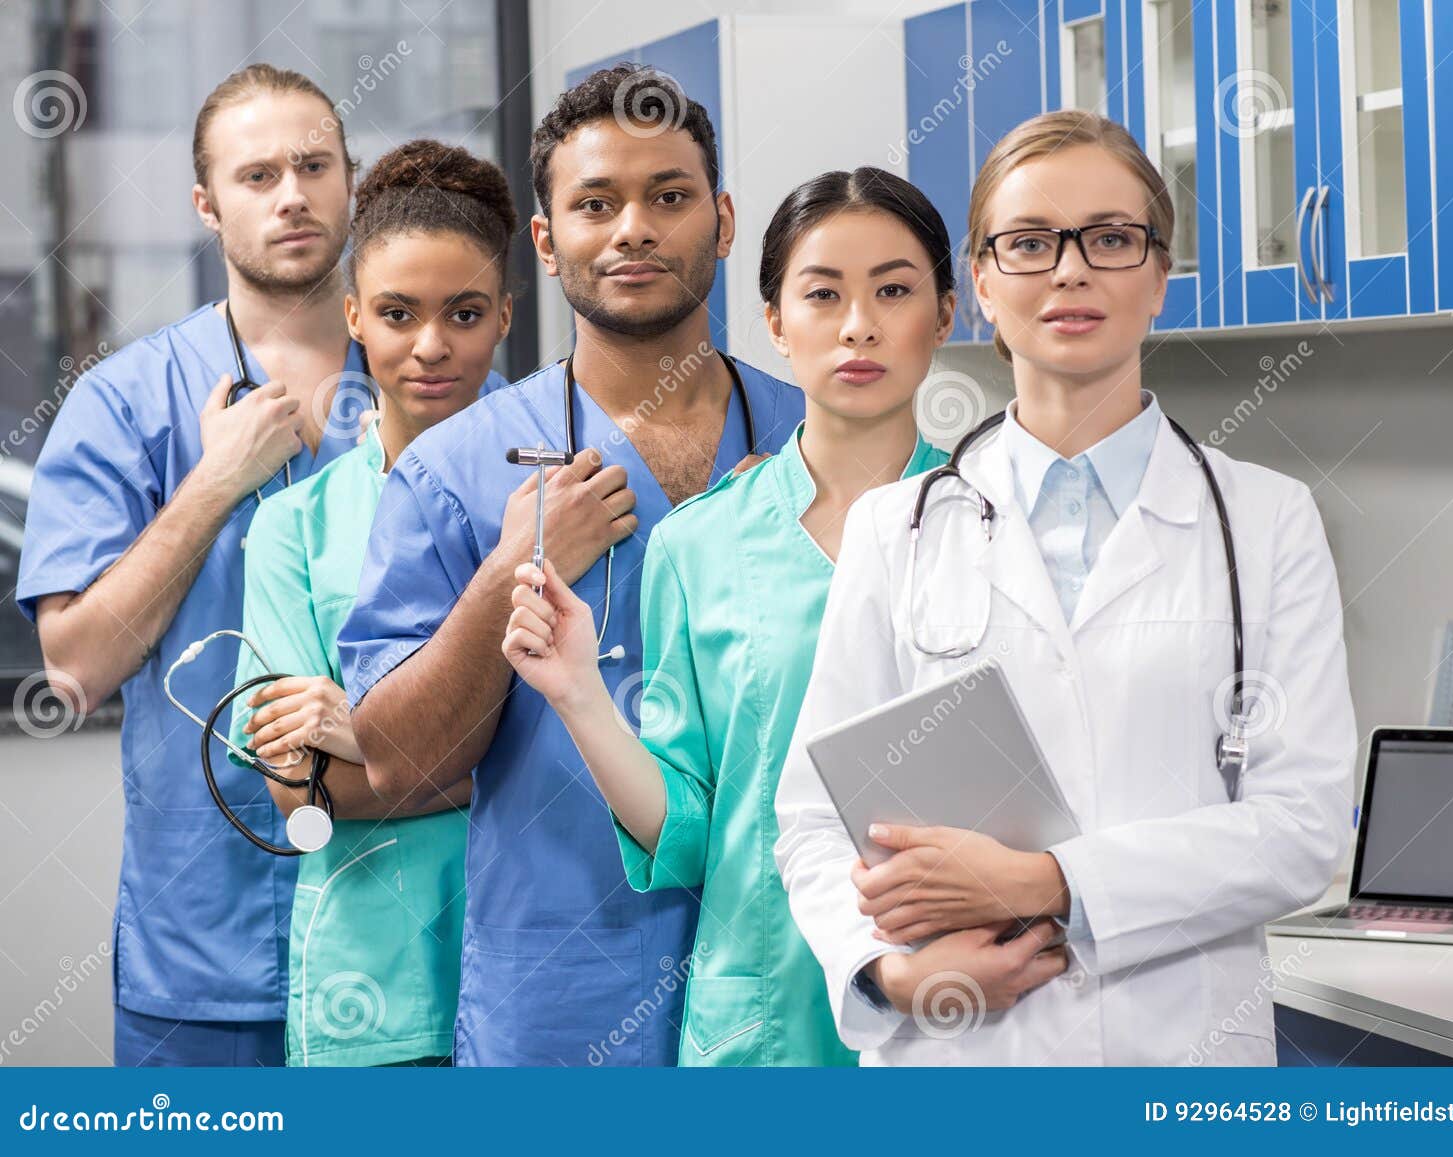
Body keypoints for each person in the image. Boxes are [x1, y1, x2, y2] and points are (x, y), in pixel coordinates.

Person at [774, 110, 1357, 1066]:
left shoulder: (1269, 520)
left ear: (1161, 276)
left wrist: (1048, 881)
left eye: (1112, 238)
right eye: (1031, 243)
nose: (1072, 270)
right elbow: (811, 815)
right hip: (964, 1055)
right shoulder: (898, 526)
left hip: (1183, 1052)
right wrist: (886, 974)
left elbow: (1302, 829)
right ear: (985, 287)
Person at [337, 64, 805, 1067]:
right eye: (596, 203)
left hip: (789, 979)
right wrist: (514, 565)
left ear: (722, 222)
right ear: (546, 243)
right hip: (561, 995)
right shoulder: (455, 469)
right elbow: (397, 756)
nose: (632, 228)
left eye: (667, 198)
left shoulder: (820, 442)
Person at [499, 167, 955, 1066]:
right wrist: (580, 692)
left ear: (944, 314)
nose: (858, 323)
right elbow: (691, 831)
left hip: (957, 1003)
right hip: (763, 1022)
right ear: (776, 320)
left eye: (894, 291)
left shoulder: (992, 520)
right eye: (822, 294)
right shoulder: (699, 548)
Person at [16, 64, 370, 1067]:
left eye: (314, 165)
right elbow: (75, 667)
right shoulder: (124, 402)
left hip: (413, 925)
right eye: (258, 175)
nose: (293, 194)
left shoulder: (433, 389)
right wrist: (214, 484)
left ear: (353, 181)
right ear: (208, 206)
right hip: (208, 953)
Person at [226, 141, 515, 1067]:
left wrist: (373, 735)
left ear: (505, 316)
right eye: (397, 313)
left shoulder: (568, 506)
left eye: (464, 313)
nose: (431, 346)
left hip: (539, 975)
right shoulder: (294, 530)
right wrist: (507, 771)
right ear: (354, 316)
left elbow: (621, 763)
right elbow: (301, 793)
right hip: (373, 991)